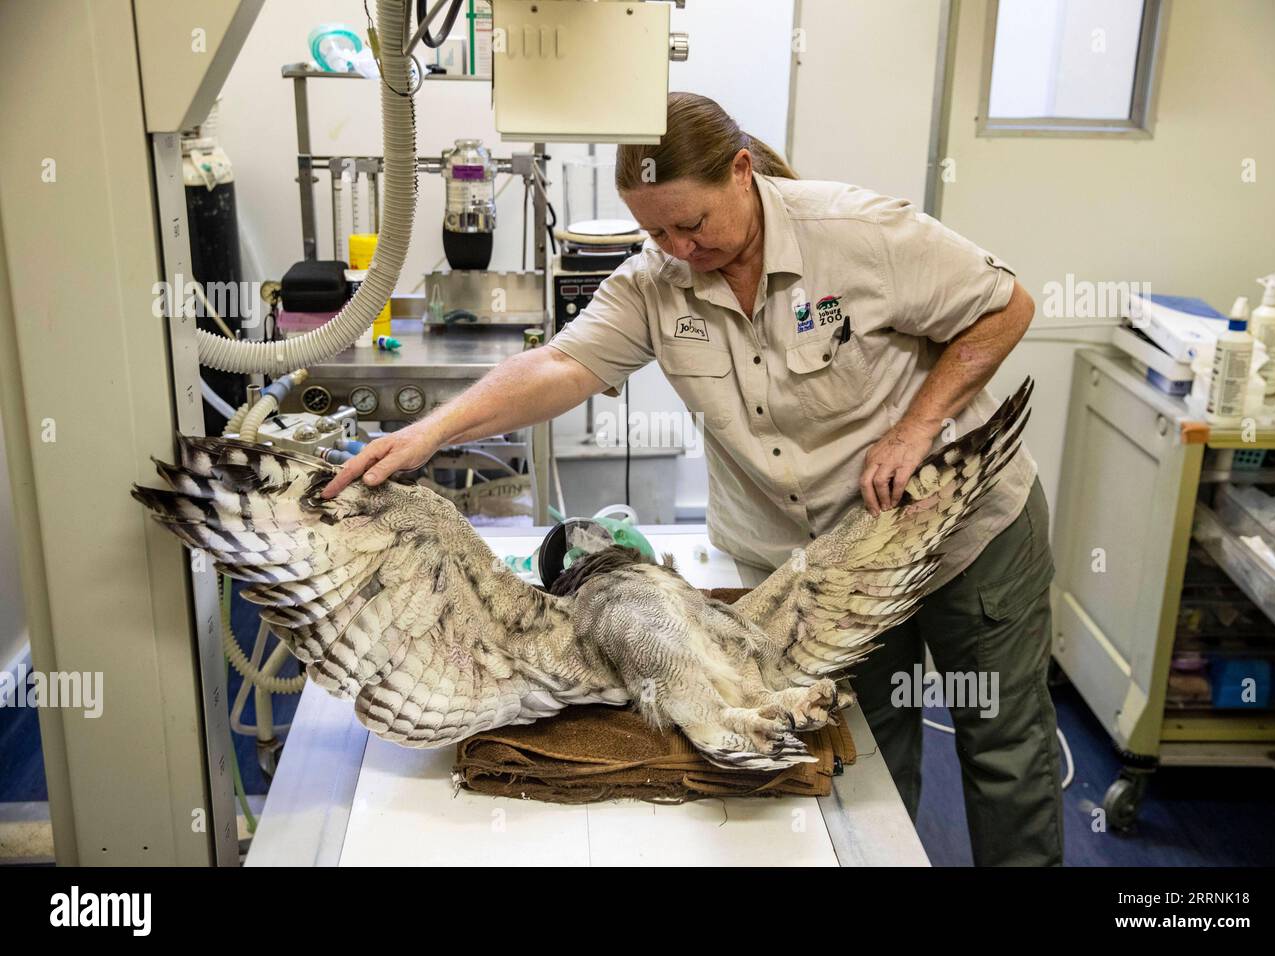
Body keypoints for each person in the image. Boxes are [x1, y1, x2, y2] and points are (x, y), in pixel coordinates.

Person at [323, 92, 1062, 866]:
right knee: (864, 745)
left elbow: (1005, 305)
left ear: (742, 172)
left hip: (957, 531)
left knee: (1002, 743)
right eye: (654, 230)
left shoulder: (857, 233)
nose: (677, 246)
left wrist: (916, 428)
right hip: (817, 566)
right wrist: (427, 432)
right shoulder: (653, 285)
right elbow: (559, 364)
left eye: (692, 223)